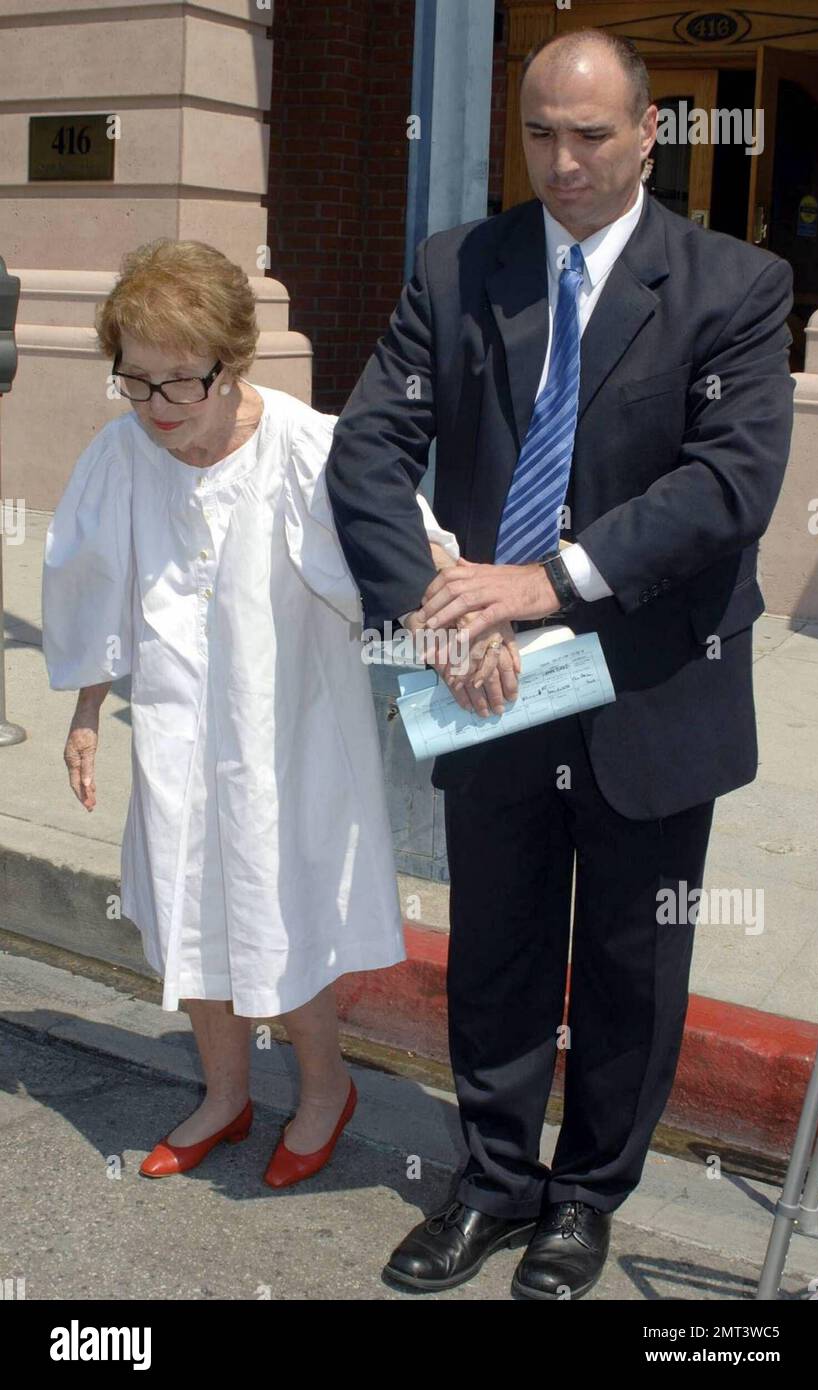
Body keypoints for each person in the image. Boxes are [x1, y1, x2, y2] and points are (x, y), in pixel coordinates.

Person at [325, 29, 795, 1298]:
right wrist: (436, 600)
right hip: (489, 679)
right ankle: (486, 1183)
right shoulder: (457, 269)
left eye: (590, 134)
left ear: (650, 132)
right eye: (539, 133)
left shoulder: (735, 285)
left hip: (649, 676)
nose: (563, 161)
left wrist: (544, 582)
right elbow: (368, 450)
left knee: (636, 965)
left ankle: (585, 1197)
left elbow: (727, 485)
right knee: (495, 946)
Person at [41, 237, 460, 1189]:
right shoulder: (122, 454)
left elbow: (416, 547)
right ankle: (225, 1096)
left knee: (285, 911)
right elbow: (95, 582)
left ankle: (323, 1090)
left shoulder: (312, 447)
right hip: (179, 735)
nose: (157, 410)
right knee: (190, 908)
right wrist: (84, 710)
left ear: (236, 364)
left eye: (181, 384)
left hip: (293, 734)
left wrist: (486, 612)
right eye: (135, 382)